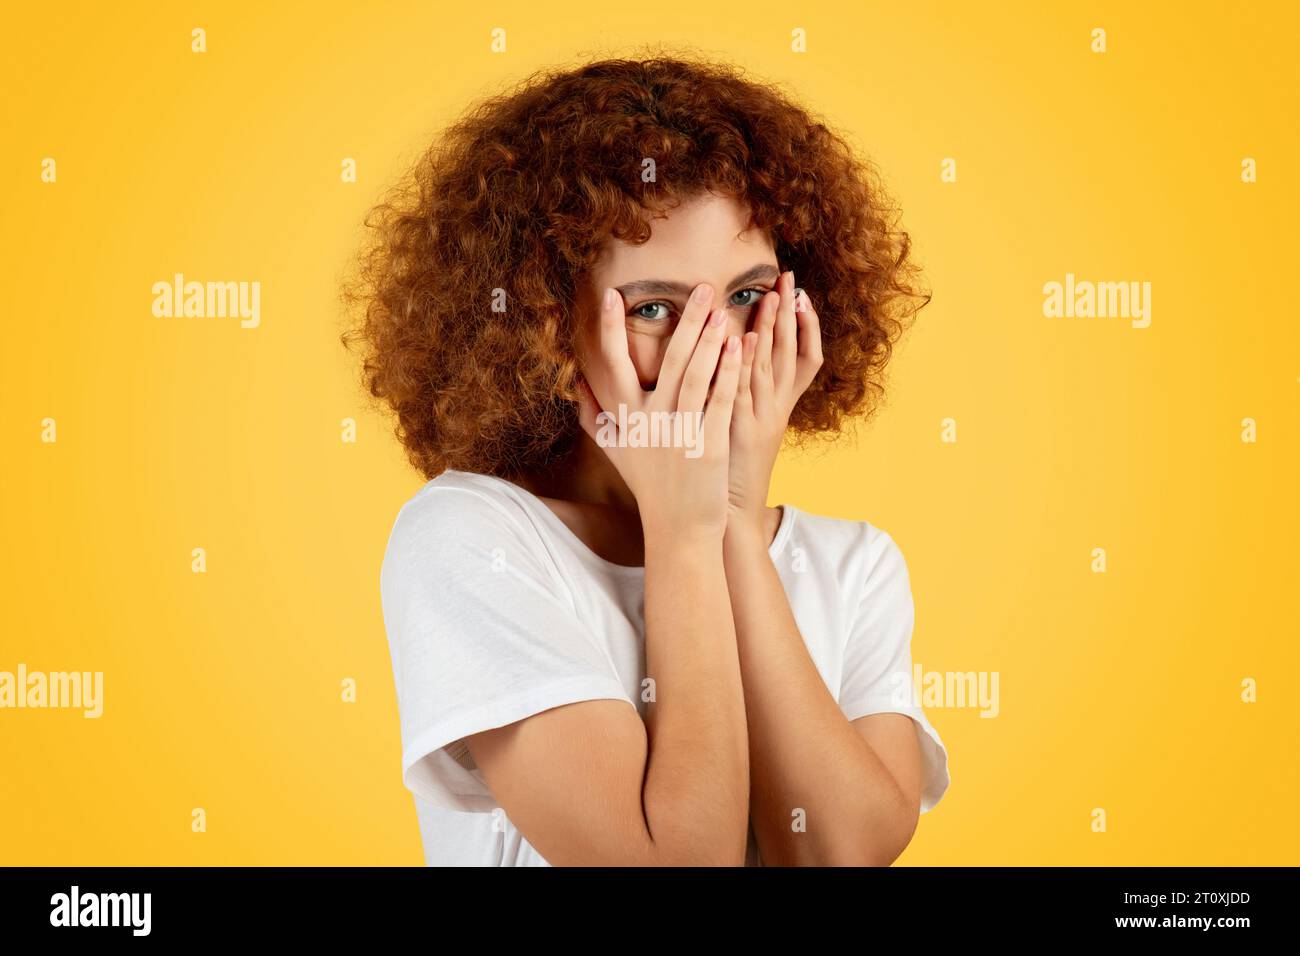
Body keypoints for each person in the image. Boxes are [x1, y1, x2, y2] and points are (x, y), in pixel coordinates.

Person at [343, 53, 949, 866]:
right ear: (548, 322)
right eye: (658, 309)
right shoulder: (472, 538)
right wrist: (681, 533)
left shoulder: (856, 566)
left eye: (745, 297)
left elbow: (840, 852)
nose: (719, 351)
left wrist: (731, 517)